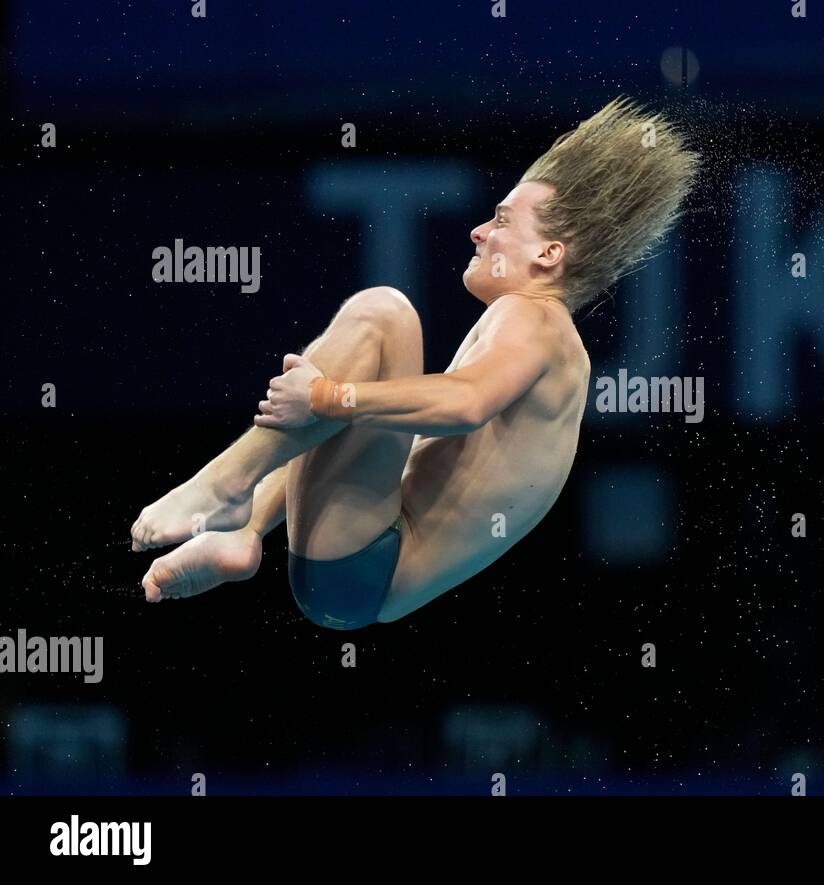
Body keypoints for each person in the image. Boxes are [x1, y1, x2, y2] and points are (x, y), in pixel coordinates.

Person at [130, 96, 699, 629]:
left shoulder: (537, 320)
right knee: (376, 367)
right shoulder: (539, 335)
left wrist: (326, 396)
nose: (478, 231)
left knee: (385, 315)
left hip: (369, 561)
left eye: (502, 221)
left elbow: (466, 404)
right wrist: (333, 402)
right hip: (359, 574)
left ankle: (228, 486)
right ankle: (245, 521)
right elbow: (380, 423)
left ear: (549, 254)